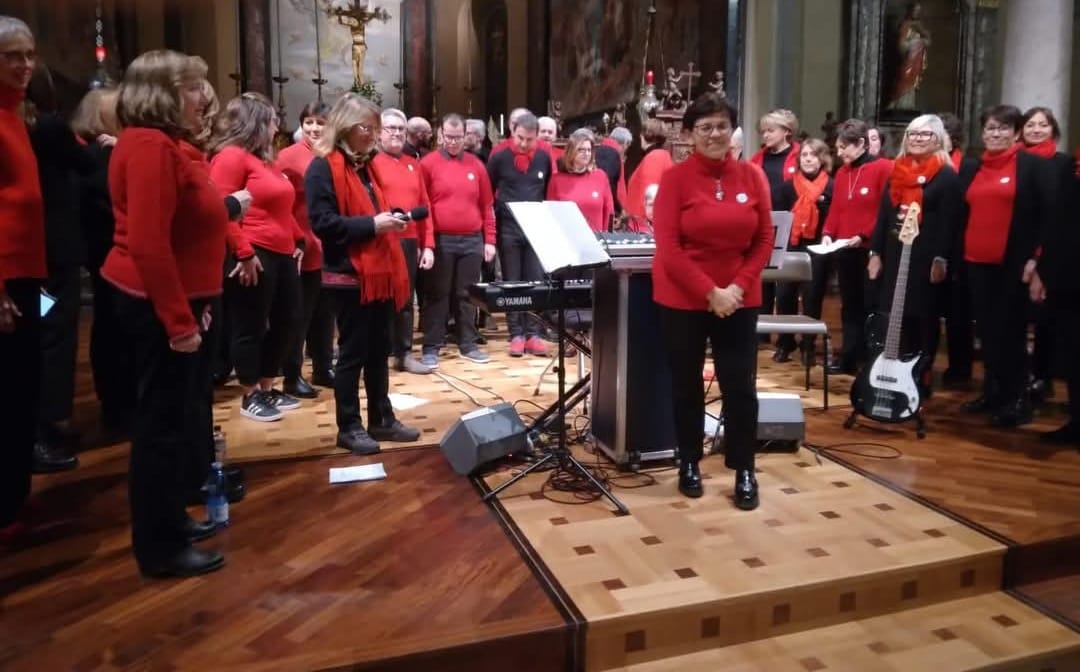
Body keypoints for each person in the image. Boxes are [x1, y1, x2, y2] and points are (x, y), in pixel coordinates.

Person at [103, 50, 228, 577]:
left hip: (174, 298)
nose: (204, 99)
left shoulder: (160, 144)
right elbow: (151, 245)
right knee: (160, 430)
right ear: (164, 92)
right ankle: (158, 547)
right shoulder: (152, 146)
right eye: (194, 87)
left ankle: (172, 519)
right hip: (156, 304)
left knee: (175, 423)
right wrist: (179, 323)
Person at [652, 92, 774, 508]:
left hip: (740, 298)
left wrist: (736, 289)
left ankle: (744, 469)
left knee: (740, 385)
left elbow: (763, 239)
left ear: (732, 130)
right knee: (686, 384)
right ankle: (688, 460)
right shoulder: (675, 179)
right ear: (690, 134)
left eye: (721, 125)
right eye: (704, 127)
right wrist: (710, 292)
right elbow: (668, 246)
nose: (714, 133)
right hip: (683, 297)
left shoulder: (753, 176)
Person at [305, 93, 421, 454]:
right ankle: (349, 425)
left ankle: (382, 419)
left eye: (374, 129)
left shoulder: (364, 167)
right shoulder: (323, 167)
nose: (373, 135)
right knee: (353, 353)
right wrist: (373, 225)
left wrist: (390, 219)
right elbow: (324, 225)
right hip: (348, 275)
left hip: (378, 273)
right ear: (346, 127)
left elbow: (372, 211)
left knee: (378, 351)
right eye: (367, 128)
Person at [209, 92, 306, 423]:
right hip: (252, 251)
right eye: (272, 120)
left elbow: (282, 209)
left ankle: (267, 386)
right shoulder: (231, 157)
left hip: (280, 253)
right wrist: (243, 252)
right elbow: (222, 209)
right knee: (249, 324)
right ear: (255, 122)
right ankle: (250, 393)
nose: (277, 125)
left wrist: (300, 239)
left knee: (287, 320)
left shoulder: (266, 161)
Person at [958, 105, 1052, 427]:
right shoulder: (972, 168)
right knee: (986, 333)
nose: (995, 134)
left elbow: (1047, 217)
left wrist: (1036, 258)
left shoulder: (1032, 166)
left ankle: (1018, 400)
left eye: (1003, 128)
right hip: (975, 262)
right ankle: (992, 392)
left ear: (1015, 133)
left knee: (1010, 334)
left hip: (1012, 265)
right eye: (990, 129)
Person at [25, 64, 92, 470]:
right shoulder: (49, 129)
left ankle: (47, 424)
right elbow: (86, 166)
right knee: (53, 339)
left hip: (43, 254)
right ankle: (46, 426)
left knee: (45, 335)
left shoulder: (30, 131)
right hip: (53, 255)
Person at [867, 114, 961, 397]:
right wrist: (875, 252)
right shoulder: (898, 170)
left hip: (925, 258)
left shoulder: (945, 175)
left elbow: (950, 222)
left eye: (925, 135)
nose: (918, 139)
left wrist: (941, 259)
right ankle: (894, 369)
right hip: (895, 253)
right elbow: (884, 216)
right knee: (895, 314)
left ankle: (921, 374)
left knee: (923, 316)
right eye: (913, 134)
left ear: (938, 139)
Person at [0, 15, 46, 544]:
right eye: (13, 55)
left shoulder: (15, 116)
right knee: (8, 390)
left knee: (23, 386)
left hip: (28, 271)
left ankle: (14, 494)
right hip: (6, 277)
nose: (25, 64)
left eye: (29, 53)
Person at [71, 87, 135, 433]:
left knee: (113, 328)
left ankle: (118, 402)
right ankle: (117, 404)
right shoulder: (97, 155)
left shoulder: (103, 151)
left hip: (106, 250)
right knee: (114, 330)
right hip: (107, 251)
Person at [419, 114, 497, 367]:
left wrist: (489, 240)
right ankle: (432, 346)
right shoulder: (428, 164)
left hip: (472, 240)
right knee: (437, 294)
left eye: (458, 137)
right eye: (448, 137)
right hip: (442, 240)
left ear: (466, 136)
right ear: (440, 135)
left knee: (467, 295)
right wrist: (428, 244)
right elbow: (425, 207)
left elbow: (487, 205)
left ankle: (468, 343)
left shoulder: (476, 165)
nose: (453, 142)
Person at [820, 119, 893, 374]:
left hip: (870, 249)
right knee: (849, 305)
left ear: (861, 143)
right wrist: (828, 233)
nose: (839, 153)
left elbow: (884, 212)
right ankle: (849, 356)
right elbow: (838, 208)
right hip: (844, 248)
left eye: (843, 147)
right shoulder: (842, 172)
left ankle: (873, 360)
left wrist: (864, 235)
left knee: (871, 304)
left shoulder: (884, 168)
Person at [276, 100, 335, 395]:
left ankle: (324, 367)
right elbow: (280, 205)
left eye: (320, 122)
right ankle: (292, 374)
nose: (313, 128)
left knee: (326, 314)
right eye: (308, 122)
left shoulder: (334, 155)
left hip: (330, 245)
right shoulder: (288, 156)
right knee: (300, 314)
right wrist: (297, 239)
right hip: (304, 245)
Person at [373, 107, 435, 373]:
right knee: (379, 298)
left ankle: (404, 353)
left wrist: (428, 244)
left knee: (405, 300)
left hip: (409, 241)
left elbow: (425, 205)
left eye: (401, 129)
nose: (397, 133)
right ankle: (376, 353)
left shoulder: (413, 164)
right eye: (391, 128)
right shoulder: (370, 162)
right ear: (379, 132)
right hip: (379, 239)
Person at [487, 112, 552, 357]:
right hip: (509, 228)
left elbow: (547, 190)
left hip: (535, 228)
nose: (524, 144)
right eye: (520, 138)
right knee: (512, 282)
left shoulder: (544, 158)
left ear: (537, 138)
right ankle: (516, 334)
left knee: (534, 281)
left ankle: (533, 333)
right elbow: (489, 191)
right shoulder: (500, 156)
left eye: (529, 139)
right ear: (513, 133)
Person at [1020, 106, 1072, 405]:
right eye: (1030, 125)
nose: (1036, 130)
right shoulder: (1016, 161)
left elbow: (1057, 214)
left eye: (1042, 125)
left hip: (1046, 252)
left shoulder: (1063, 164)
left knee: (1043, 322)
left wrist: (1039, 258)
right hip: (1016, 251)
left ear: (1053, 130)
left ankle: (1042, 377)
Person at [774, 139, 834, 366]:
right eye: (805, 155)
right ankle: (784, 342)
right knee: (785, 294)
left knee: (812, 297)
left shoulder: (831, 186)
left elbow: (834, 218)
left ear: (822, 159)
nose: (808, 159)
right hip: (791, 244)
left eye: (813, 155)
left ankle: (808, 345)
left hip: (818, 246)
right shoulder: (787, 187)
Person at [546, 128, 613, 232]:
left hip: (597, 240)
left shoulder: (600, 176)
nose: (586, 153)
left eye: (589, 150)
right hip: (567, 241)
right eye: (581, 150)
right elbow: (551, 215)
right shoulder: (556, 180)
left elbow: (609, 211)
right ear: (571, 152)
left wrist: (607, 239)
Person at [625, 118, 673, 219]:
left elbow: (648, 195)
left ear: (644, 135)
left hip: (643, 226)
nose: (639, 136)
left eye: (641, 133)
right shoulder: (663, 155)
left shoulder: (654, 158)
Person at [888, 2, 930, 111]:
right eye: (915, 10)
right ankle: (899, 104)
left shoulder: (919, 26)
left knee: (913, 82)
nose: (916, 13)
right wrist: (914, 43)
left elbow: (928, 41)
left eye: (918, 11)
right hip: (908, 59)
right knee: (904, 78)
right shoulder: (905, 25)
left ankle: (908, 106)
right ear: (910, 11)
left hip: (917, 60)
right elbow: (901, 45)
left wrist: (921, 39)